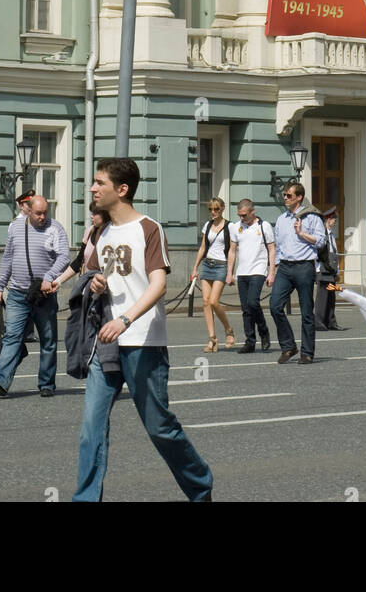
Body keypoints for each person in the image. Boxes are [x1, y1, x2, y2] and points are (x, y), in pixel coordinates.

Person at [72, 157, 213, 502]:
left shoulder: (149, 229)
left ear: (122, 190)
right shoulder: (99, 230)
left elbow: (159, 285)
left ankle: (200, 487)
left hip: (142, 340)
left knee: (159, 428)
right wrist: (95, 284)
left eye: (100, 183)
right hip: (103, 343)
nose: (93, 188)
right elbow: (90, 275)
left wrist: (125, 319)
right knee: (91, 428)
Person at [0, 194, 70, 397]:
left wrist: (50, 276)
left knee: (48, 339)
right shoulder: (16, 228)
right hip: (18, 293)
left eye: (45, 212)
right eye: (38, 213)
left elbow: (64, 256)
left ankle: (46, 384)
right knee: (12, 336)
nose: (42, 217)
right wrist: (0, 286)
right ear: (28, 210)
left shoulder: (55, 228)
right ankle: (0, 381)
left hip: (43, 294)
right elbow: (8, 257)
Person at [270, 180, 326, 364]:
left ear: (299, 197)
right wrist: (275, 268)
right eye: (285, 195)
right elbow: (279, 245)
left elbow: (321, 241)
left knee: (306, 312)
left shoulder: (312, 217)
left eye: (289, 195)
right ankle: (288, 346)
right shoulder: (282, 219)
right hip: (285, 267)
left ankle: (307, 352)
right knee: (275, 305)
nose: (285, 198)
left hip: (304, 267)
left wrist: (302, 233)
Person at [226, 199, 274, 354]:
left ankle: (264, 331)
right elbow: (232, 250)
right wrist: (229, 273)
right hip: (242, 272)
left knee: (253, 303)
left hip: (258, 270)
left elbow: (272, 249)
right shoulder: (235, 227)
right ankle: (250, 341)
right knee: (246, 309)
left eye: (244, 215)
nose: (242, 218)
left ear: (252, 211)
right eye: (239, 215)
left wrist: (271, 272)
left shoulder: (264, 226)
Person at [189, 197, 235, 353]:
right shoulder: (208, 225)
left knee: (214, 301)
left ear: (222, 209)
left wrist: (230, 272)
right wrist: (195, 267)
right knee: (205, 302)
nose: (213, 212)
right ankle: (213, 339)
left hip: (221, 265)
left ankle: (228, 329)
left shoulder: (230, 226)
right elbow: (203, 247)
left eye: (216, 209)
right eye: (210, 209)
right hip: (207, 265)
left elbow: (232, 251)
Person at [55, 205, 108, 288]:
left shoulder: (111, 234)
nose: (91, 216)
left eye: (95, 213)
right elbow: (78, 261)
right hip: (88, 286)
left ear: (105, 214)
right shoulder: (90, 231)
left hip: (104, 288)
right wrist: (58, 281)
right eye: (91, 213)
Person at [315, 206, 342, 332]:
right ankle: (319, 322)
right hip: (323, 269)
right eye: (333, 218)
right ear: (327, 219)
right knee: (322, 297)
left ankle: (331, 322)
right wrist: (317, 269)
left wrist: (337, 272)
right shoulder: (322, 234)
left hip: (330, 271)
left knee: (331, 297)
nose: (335, 220)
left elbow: (334, 254)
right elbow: (317, 253)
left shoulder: (331, 235)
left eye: (335, 218)